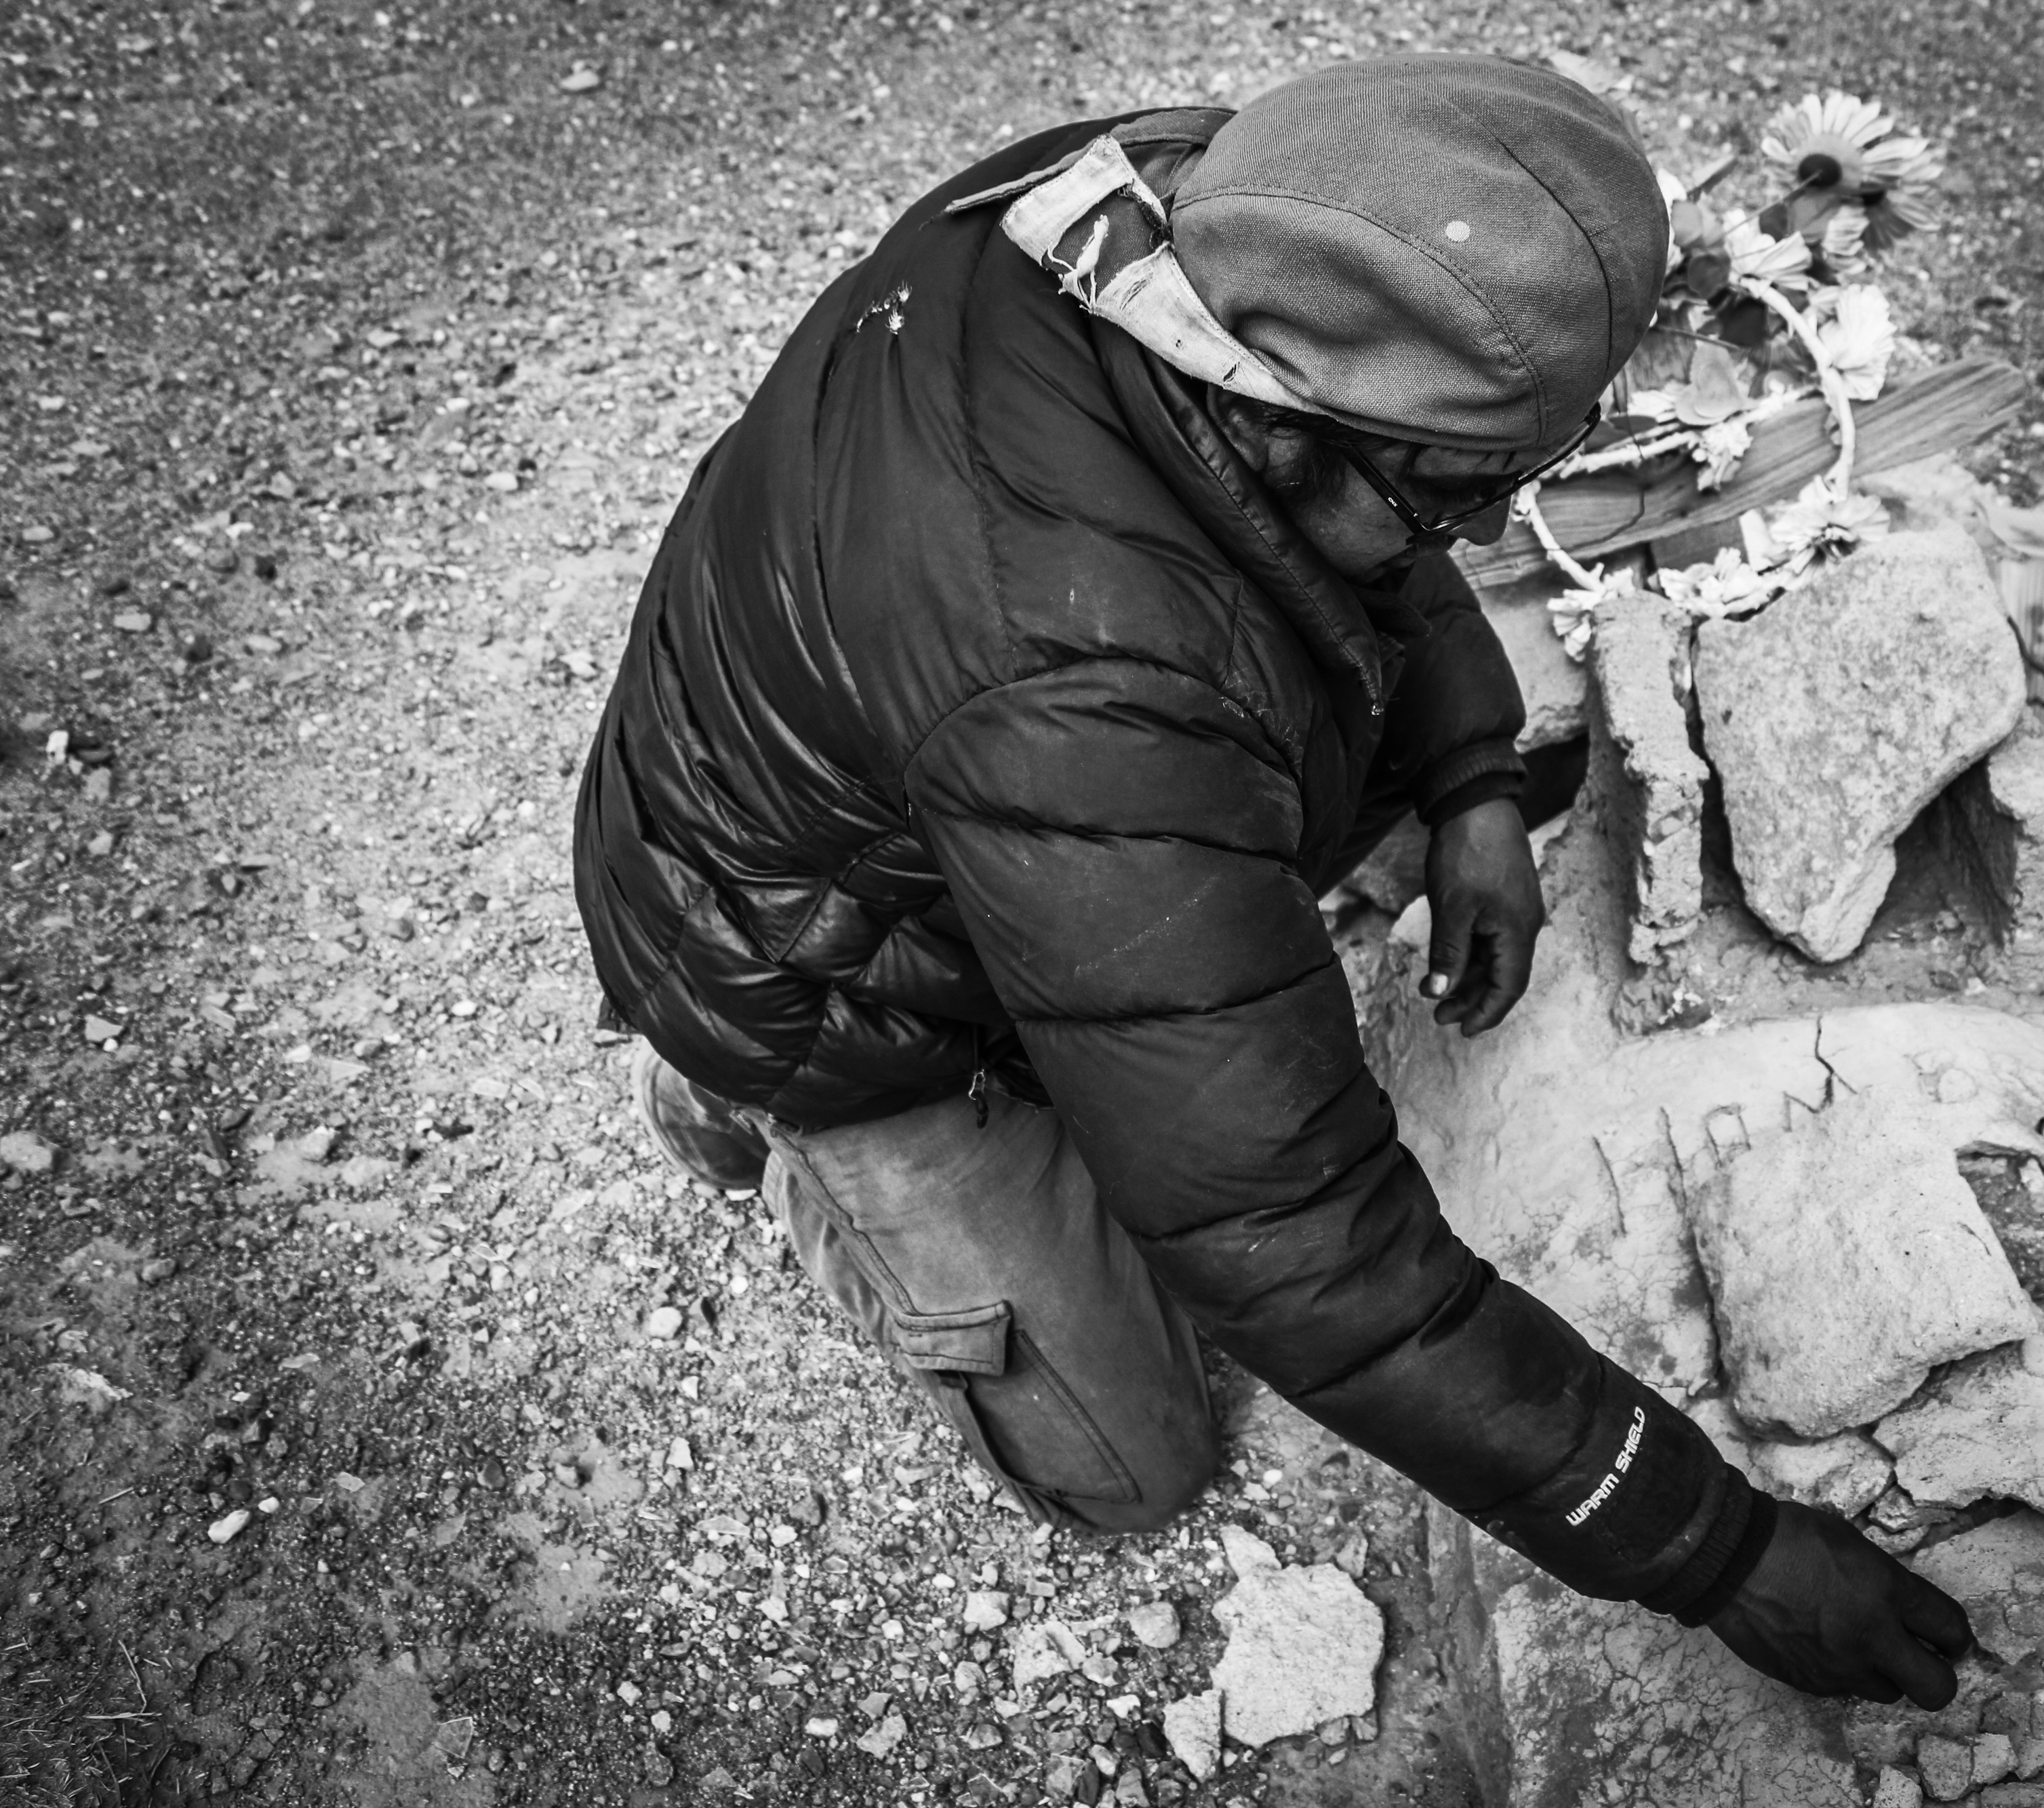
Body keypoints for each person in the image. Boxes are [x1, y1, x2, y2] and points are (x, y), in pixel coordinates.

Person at [574, 53, 1973, 1708]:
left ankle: (1069, 1027)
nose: (1478, 527)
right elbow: (1293, 1239)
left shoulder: (1163, 216)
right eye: (1455, 495)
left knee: (1281, 748)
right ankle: (739, 1112)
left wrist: (1464, 781)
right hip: (799, 968)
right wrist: (1711, 1545)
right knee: (1135, 1456)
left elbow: (1348, 529)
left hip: (934, 775)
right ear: (1270, 401)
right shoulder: (1081, 679)